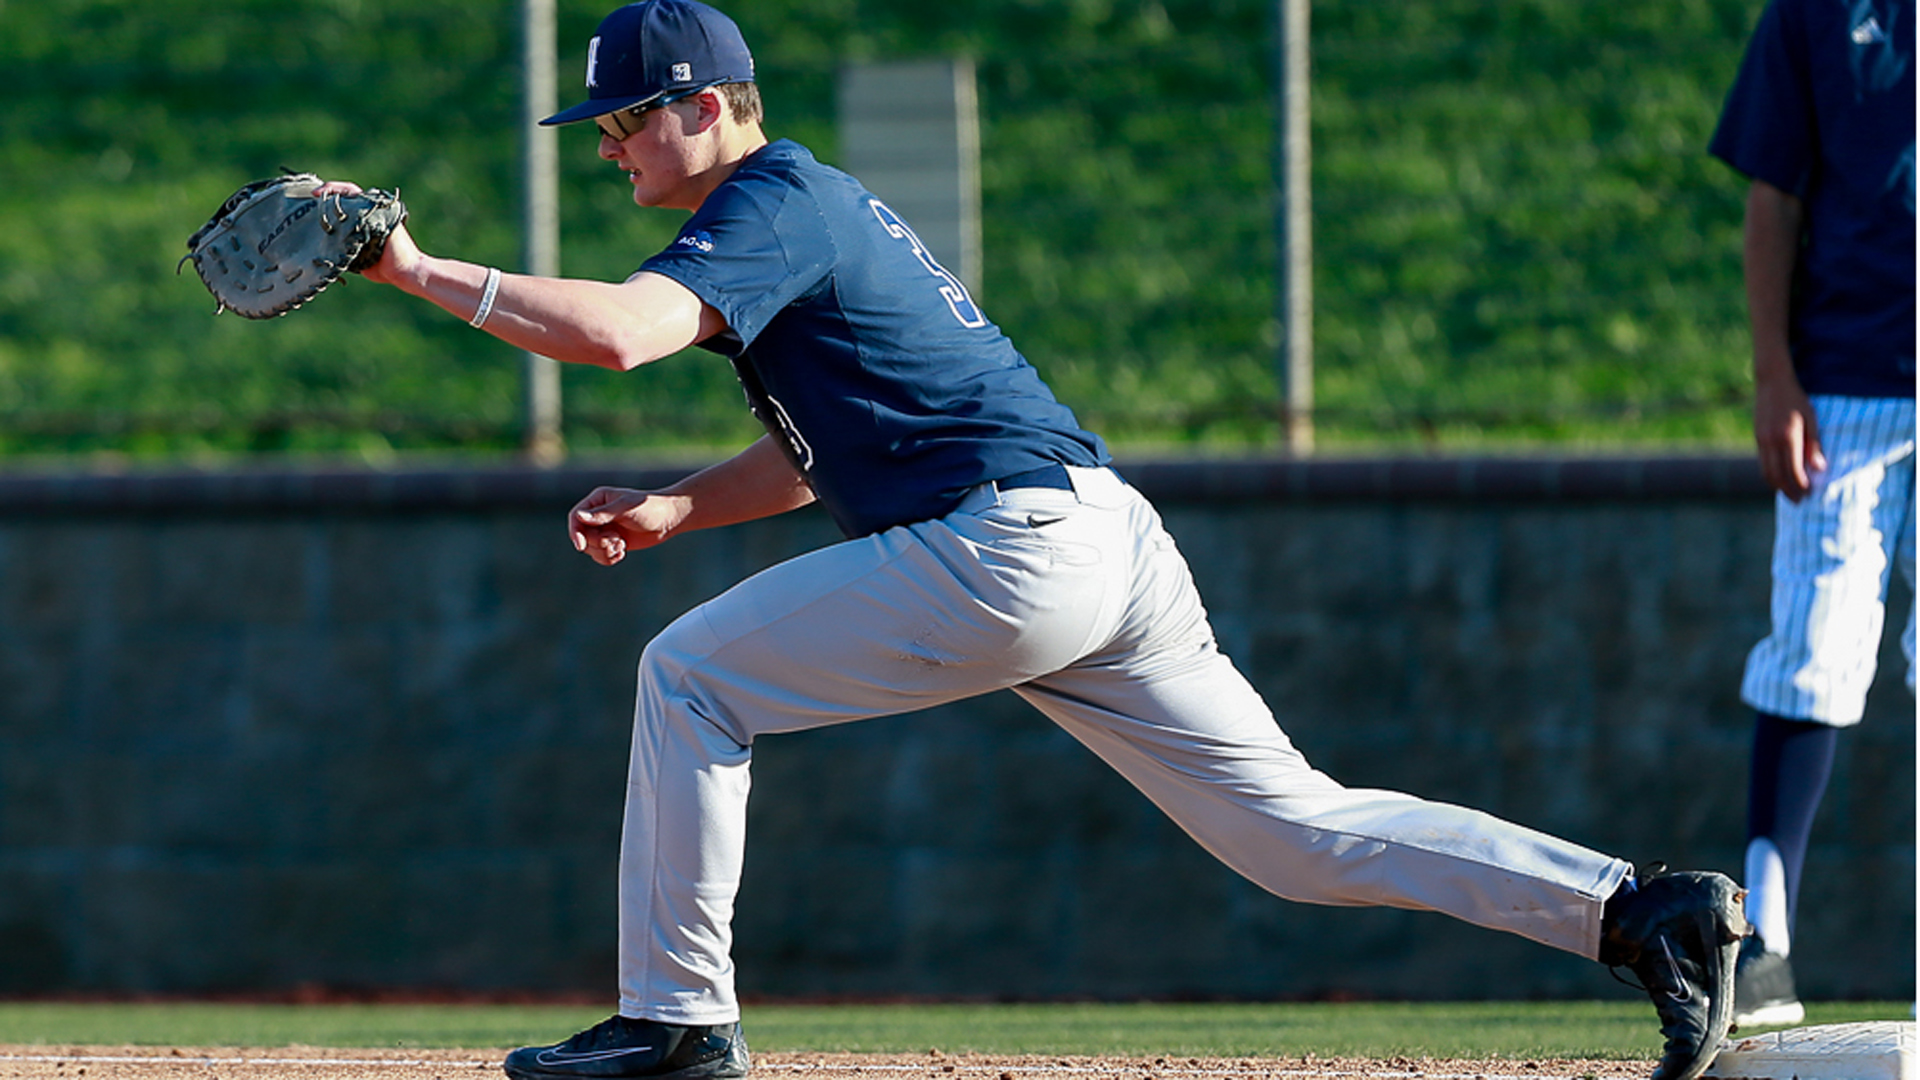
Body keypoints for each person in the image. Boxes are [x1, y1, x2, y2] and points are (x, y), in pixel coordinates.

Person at [324, 2, 1748, 1077]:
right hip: (1097, 538)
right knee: (1295, 835)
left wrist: (413, 269)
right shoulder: (803, 208)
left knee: (689, 678)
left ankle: (681, 1023)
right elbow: (835, 447)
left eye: (628, 119)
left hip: (1011, 550)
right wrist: (684, 506)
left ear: (704, 106)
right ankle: (1639, 911)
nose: (610, 144)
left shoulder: (770, 201)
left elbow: (620, 337)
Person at [1706, 0, 1916, 1031]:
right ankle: (1765, 948)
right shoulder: (1816, 11)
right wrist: (1773, 375)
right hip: (1843, 390)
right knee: (1812, 648)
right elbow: (1773, 195)